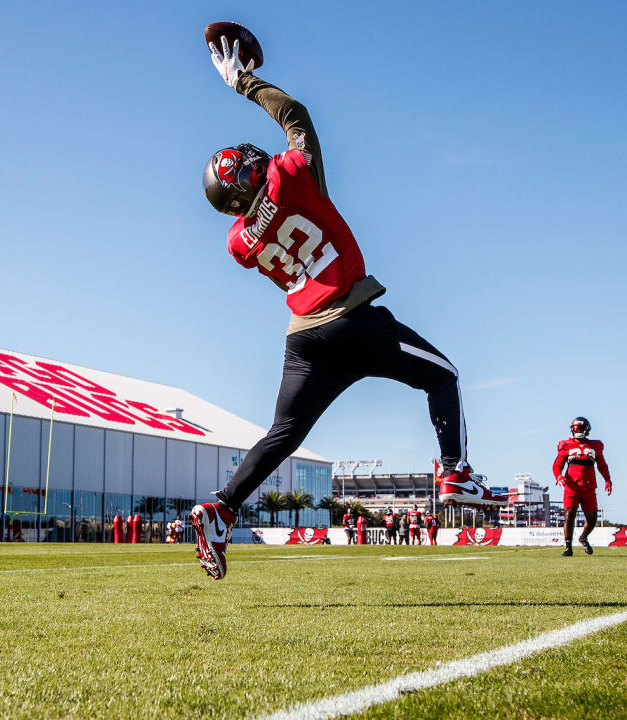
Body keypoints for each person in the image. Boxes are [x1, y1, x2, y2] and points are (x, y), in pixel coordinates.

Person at [190, 36, 501, 580]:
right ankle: (454, 472)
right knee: (444, 377)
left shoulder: (239, 243)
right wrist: (244, 82)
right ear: (248, 173)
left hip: (305, 337)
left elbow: (261, 218)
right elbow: (295, 116)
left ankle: (222, 505)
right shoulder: (290, 176)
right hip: (351, 318)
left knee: (282, 433)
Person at [553, 417, 612, 556]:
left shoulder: (595, 445)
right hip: (571, 486)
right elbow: (557, 465)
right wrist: (559, 476)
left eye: (582, 428)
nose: (580, 430)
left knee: (592, 520)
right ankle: (568, 548)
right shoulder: (566, 445)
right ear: (573, 429)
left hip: (589, 487)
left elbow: (602, 465)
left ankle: (583, 537)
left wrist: (608, 480)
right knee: (569, 516)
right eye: (577, 428)